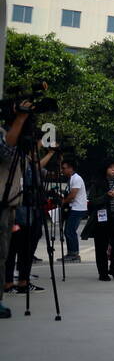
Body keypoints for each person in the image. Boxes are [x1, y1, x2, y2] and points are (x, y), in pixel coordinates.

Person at [0, 99, 34, 318]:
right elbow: (6, 151)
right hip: (1, 203)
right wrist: (21, 118)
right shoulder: (3, 133)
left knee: (2, 255)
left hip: (9, 203)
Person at [4, 146, 53, 296]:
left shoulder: (28, 162)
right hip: (21, 208)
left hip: (30, 208)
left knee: (25, 247)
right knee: (17, 246)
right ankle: (13, 282)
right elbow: (36, 170)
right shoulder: (21, 161)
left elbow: (43, 172)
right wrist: (50, 153)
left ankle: (19, 281)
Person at [86, 159, 114, 281]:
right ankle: (103, 272)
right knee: (101, 246)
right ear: (105, 169)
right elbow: (92, 201)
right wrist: (106, 196)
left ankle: (113, 268)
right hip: (103, 218)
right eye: (111, 167)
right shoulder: (98, 183)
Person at [59, 156, 88, 262]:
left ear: (71, 168)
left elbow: (72, 195)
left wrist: (63, 201)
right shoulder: (71, 178)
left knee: (70, 231)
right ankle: (71, 253)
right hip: (74, 208)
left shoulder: (76, 178)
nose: (62, 170)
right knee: (68, 231)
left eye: (64, 168)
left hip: (78, 208)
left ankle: (74, 254)